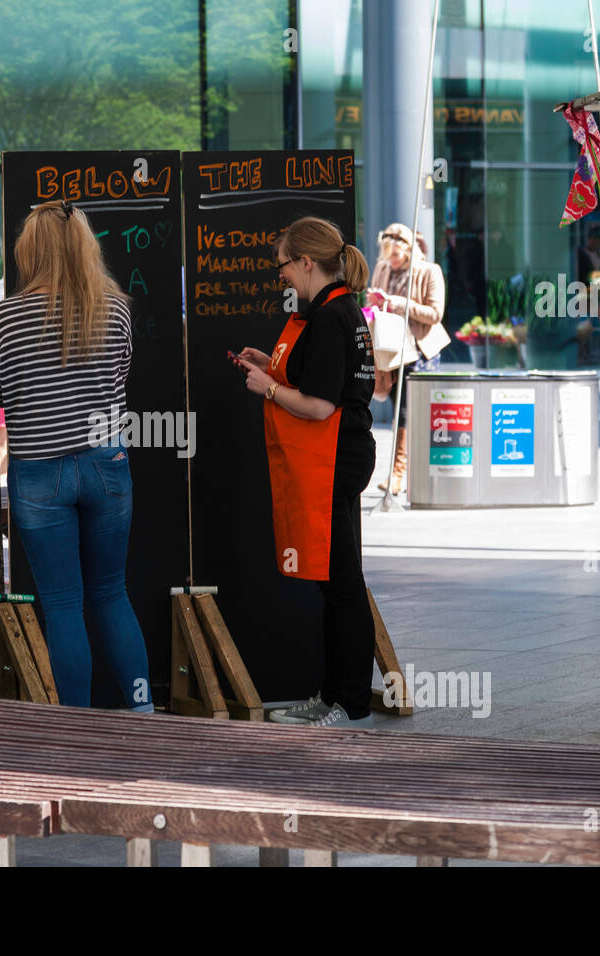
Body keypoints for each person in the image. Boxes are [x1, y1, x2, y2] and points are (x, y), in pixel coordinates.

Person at [0, 200, 152, 712]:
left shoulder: (7, 314)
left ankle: (74, 727)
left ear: (29, 250)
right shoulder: (115, 306)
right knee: (111, 593)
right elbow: (119, 379)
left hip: (39, 472)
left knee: (61, 606)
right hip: (107, 465)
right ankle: (143, 709)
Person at [235, 216, 377, 729]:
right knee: (338, 582)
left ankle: (347, 701)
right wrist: (271, 367)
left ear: (306, 262)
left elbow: (318, 406)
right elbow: (323, 384)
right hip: (343, 456)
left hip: (333, 460)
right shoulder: (343, 311)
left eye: (283, 268)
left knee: (341, 584)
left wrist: (268, 389)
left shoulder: (328, 318)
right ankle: (338, 695)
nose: (282, 280)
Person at [366, 222, 445, 495]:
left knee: (406, 412)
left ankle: (399, 474)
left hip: (419, 351)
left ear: (409, 251)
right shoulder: (383, 268)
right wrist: (375, 303)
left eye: (396, 256)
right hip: (391, 350)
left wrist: (399, 303)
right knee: (401, 410)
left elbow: (435, 314)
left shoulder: (429, 271)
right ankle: (407, 473)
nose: (391, 261)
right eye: (387, 255)